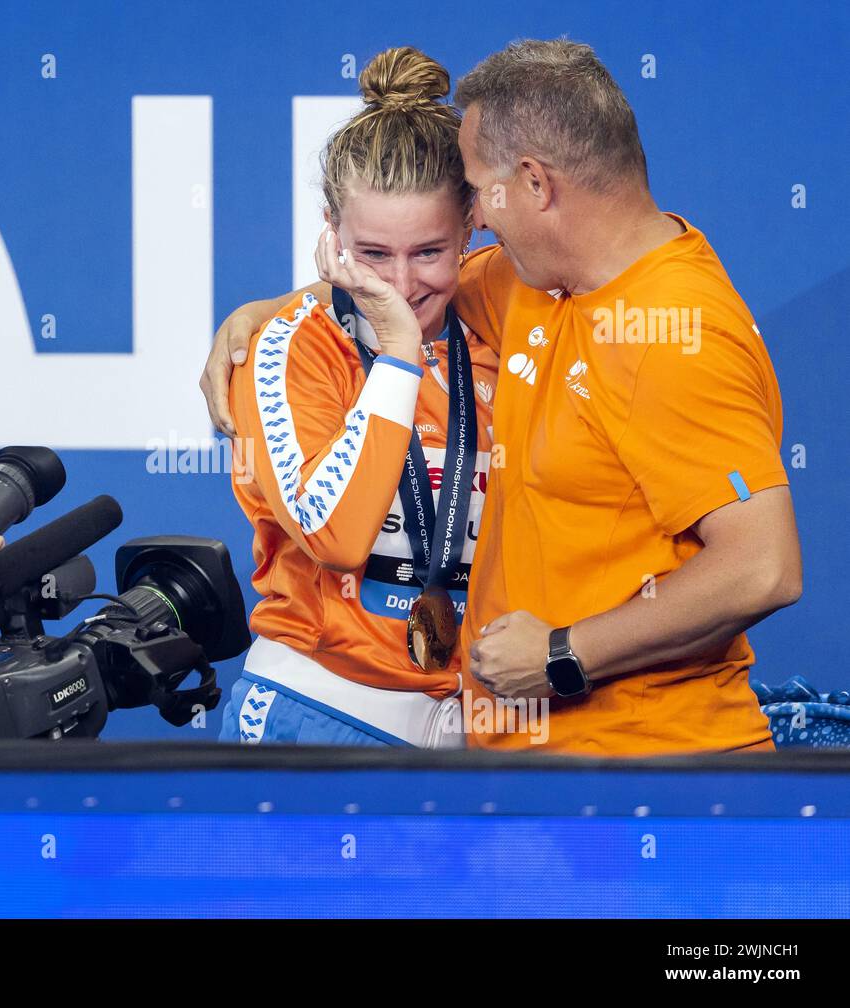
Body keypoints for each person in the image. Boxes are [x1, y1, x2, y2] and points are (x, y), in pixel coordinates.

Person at [201, 39, 800, 756]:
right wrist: (267, 316)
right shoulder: (532, 283)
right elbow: (392, 292)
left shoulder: (675, 332)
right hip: (513, 761)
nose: (479, 214)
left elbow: (763, 567)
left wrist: (562, 651)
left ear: (535, 184)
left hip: (644, 764)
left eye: (481, 190)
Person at [219, 48, 497, 747]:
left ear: (472, 224)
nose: (401, 284)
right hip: (316, 718)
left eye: (429, 251)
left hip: (478, 734)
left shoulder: (505, 323)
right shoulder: (291, 349)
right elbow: (337, 536)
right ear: (331, 232)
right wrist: (399, 351)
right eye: (372, 254)